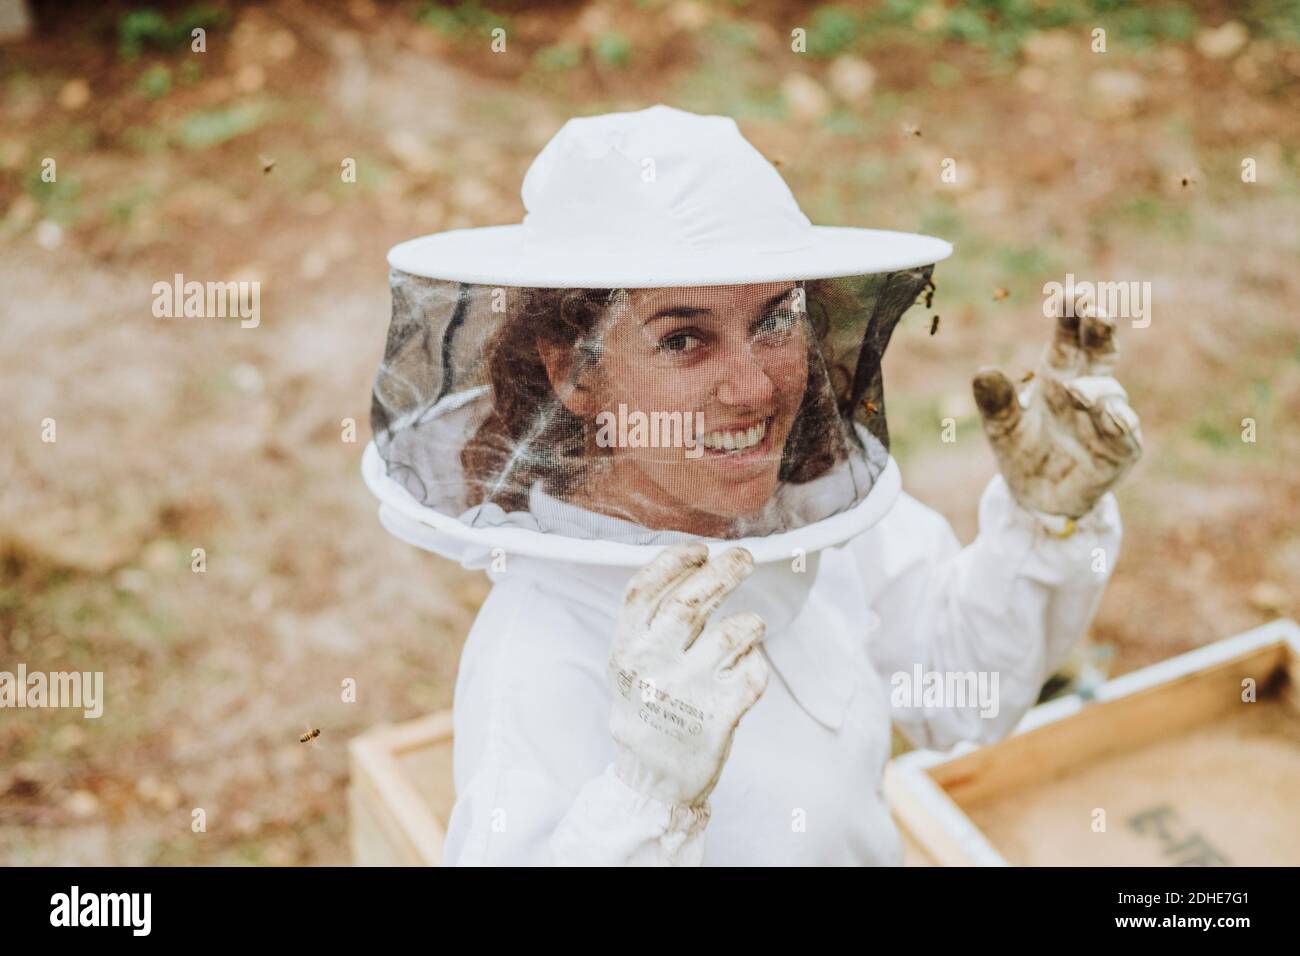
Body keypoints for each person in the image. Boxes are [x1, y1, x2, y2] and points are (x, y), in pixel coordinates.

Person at [363, 105, 1142, 865]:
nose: (752, 388)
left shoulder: (809, 511)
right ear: (573, 373)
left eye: (773, 321)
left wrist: (1044, 526)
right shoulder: (538, 659)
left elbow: (957, 695)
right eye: (683, 338)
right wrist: (648, 802)